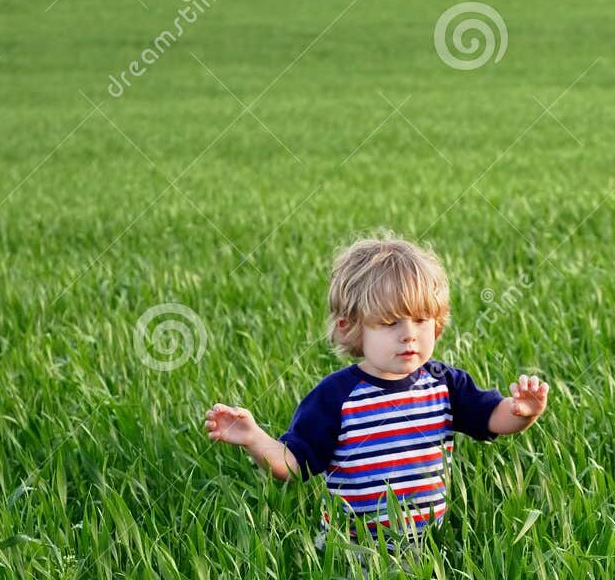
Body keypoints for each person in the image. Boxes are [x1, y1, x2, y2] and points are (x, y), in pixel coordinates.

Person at [204, 235, 549, 562]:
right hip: (354, 552)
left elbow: (491, 418)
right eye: (390, 322)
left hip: (428, 546)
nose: (408, 335)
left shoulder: (444, 383)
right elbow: (292, 465)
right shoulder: (336, 397)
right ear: (351, 328)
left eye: (420, 319)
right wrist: (253, 438)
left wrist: (523, 412)